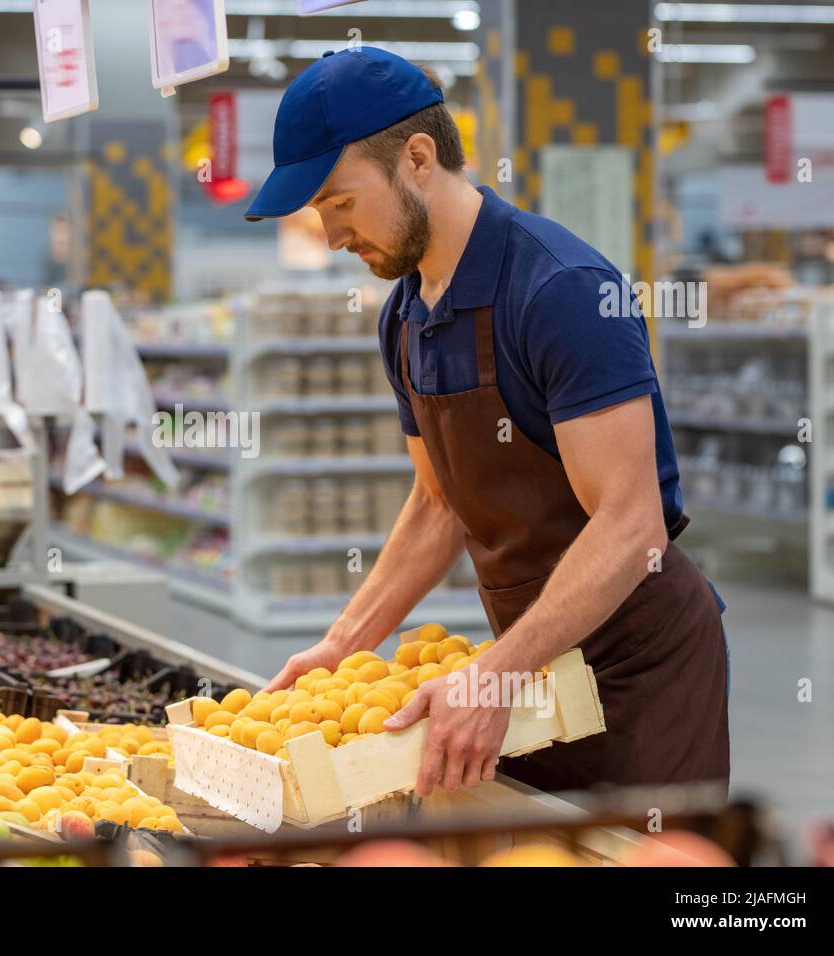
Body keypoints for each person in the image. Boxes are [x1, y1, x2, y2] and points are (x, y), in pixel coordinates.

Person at [246, 48, 729, 797]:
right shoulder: (404, 316)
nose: (332, 234)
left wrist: (495, 674)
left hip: (638, 668)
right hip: (528, 670)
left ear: (416, 158)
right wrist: (342, 645)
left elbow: (633, 526)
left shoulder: (560, 291)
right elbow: (438, 503)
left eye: (339, 202)